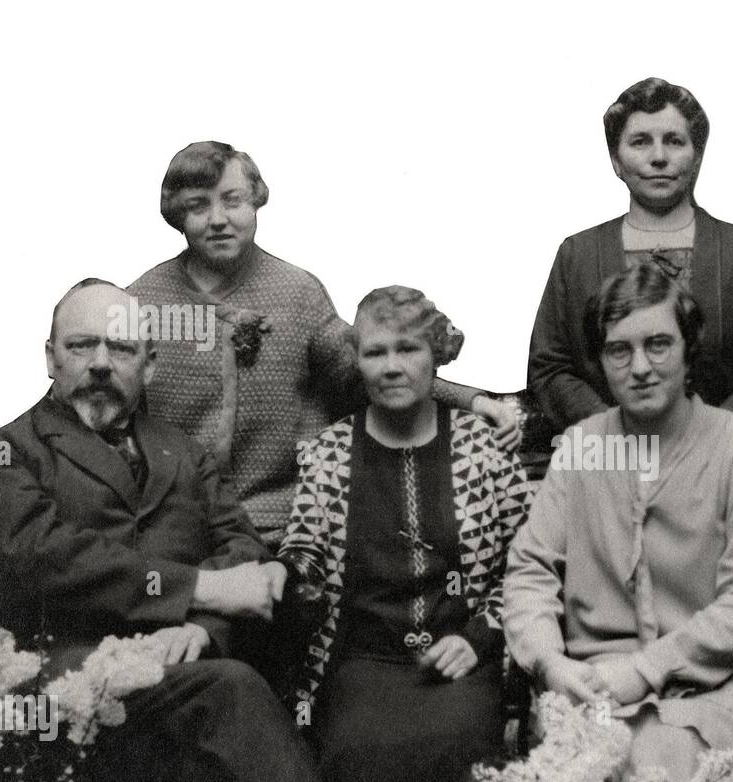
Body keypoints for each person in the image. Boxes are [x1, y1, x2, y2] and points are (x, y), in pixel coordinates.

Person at [0, 280, 398, 782]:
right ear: (50, 356)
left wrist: (201, 629)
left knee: (216, 729)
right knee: (234, 691)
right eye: (82, 346)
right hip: (58, 677)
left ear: (150, 363)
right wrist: (203, 589)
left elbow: (243, 546)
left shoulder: (183, 454)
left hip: (181, 672)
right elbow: (48, 560)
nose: (101, 363)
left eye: (122, 347)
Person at [506, 259, 733, 782]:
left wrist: (646, 670)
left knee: (655, 757)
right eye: (619, 350)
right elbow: (531, 570)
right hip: (595, 681)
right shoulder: (582, 448)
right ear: (600, 362)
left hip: (730, 680)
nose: (640, 366)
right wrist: (549, 661)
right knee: (584, 754)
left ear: (688, 351)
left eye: (658, 345)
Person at [128, 141, 520, 549]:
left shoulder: (297, 292)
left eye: (233, 201)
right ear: (176, 214)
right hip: (176, 529)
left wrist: (474, 401)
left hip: (287, 526)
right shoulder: (140, 302)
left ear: (257, 201)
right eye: (197, 206)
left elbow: (370, 371)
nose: (218, 220)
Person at [278, 286, 531, 782]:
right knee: (357, 755)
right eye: (374, 352)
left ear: (436, 357)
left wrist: (478, 637)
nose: (391, 366)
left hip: (459, 671)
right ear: (357, 362)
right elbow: (303, 548)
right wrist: (289, 576)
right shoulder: (330, 454)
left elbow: (531, 569)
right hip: (360, 668)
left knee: (457, 746)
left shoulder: (481, 449)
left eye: (408, 348)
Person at [527, 78, 733, 439]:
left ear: (697, 155)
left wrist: (710, 437)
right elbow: (551, 365)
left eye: (674, 141)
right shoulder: (578, 256)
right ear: (615, 160)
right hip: (612, 468)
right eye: (640, 142)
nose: (658, 157)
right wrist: (614, 432)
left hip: (727, 466)